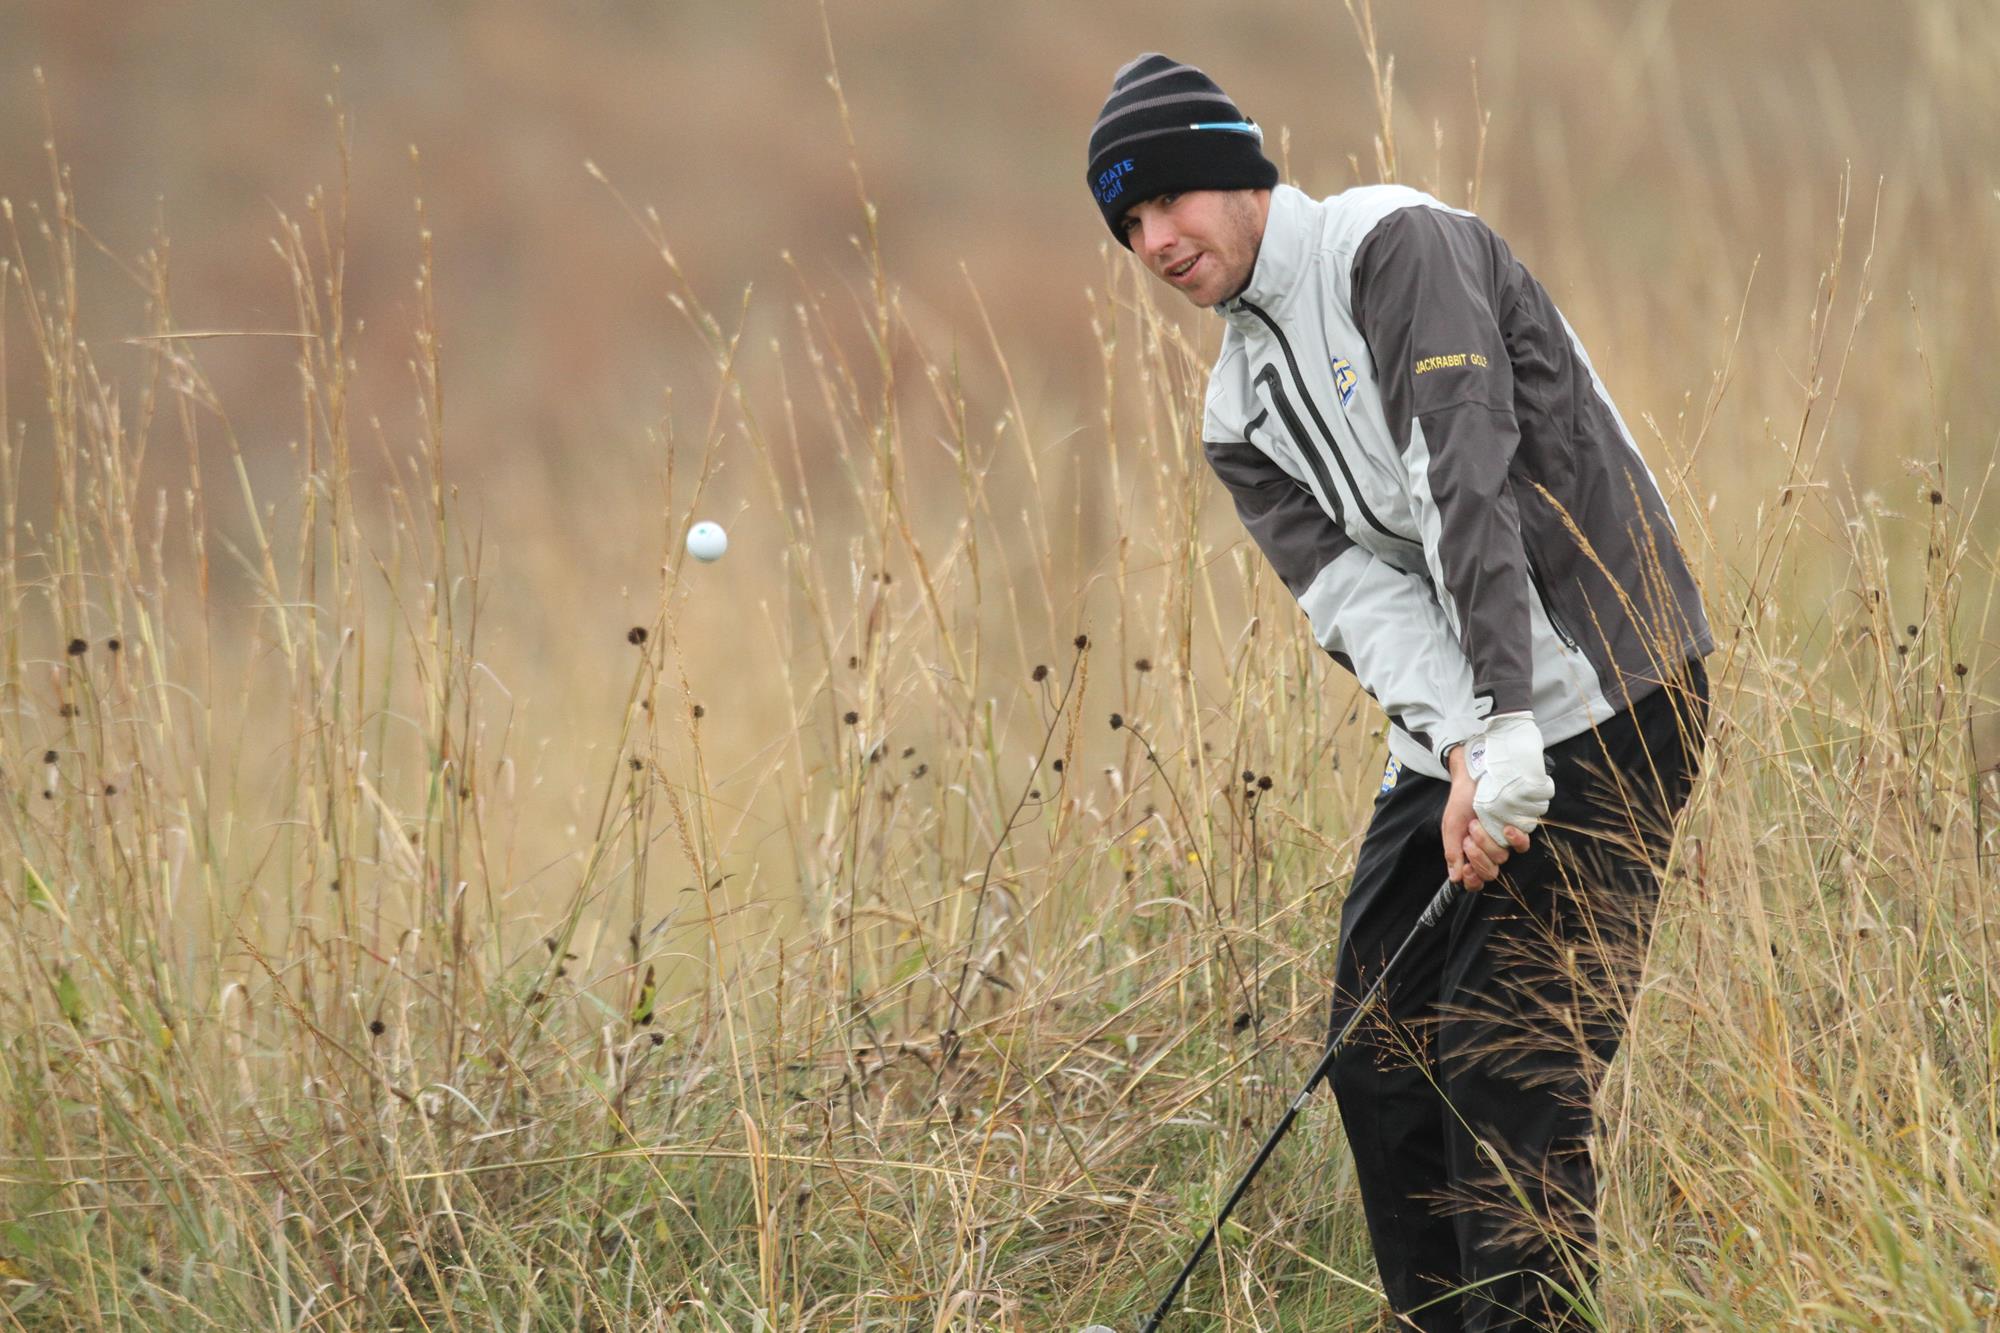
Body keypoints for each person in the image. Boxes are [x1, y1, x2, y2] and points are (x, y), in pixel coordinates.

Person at [1086, 54, 1714, 1332]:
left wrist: (1504, 726)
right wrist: (1464, 742)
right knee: (1375, 1049)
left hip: (1610, 687)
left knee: (1506, 1055)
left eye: (1170, 200)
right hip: (1478, 726)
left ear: (1239, 171)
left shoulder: (1393, 246)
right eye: (1127, 221)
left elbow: (1460, 484)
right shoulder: (1230, 409)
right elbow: (1358, 605)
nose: (1154, 239)